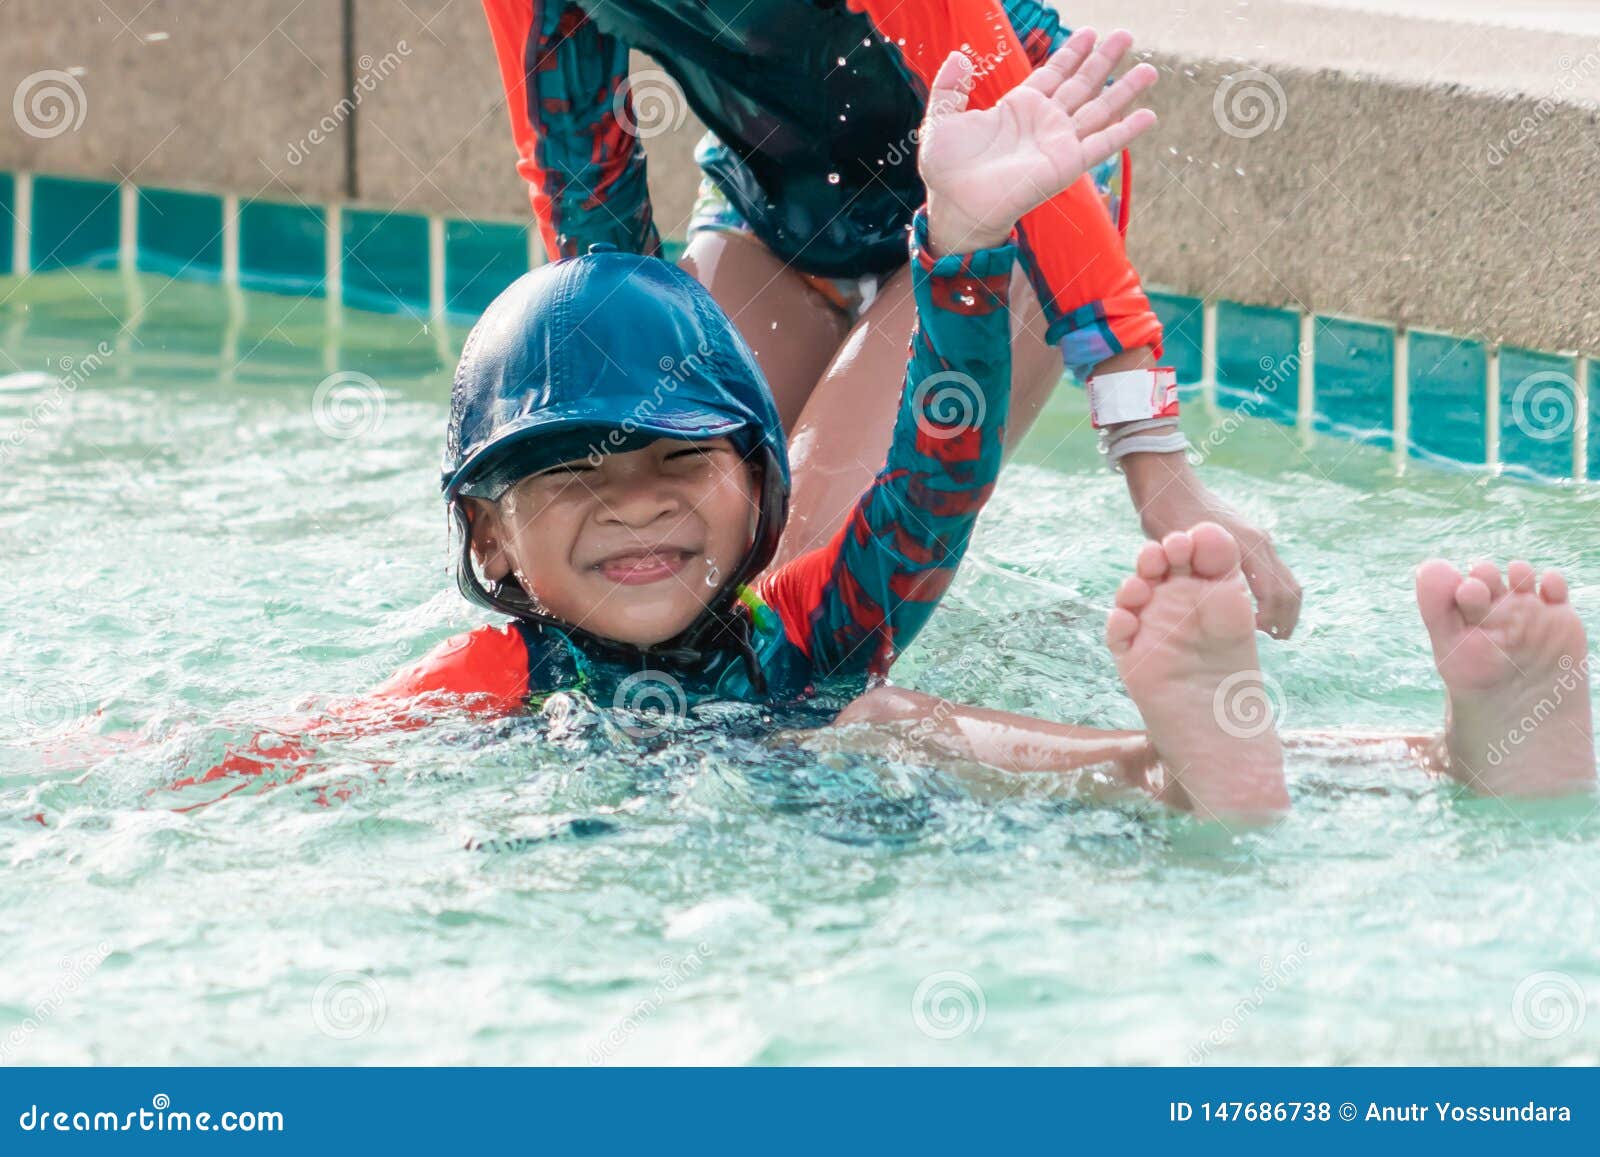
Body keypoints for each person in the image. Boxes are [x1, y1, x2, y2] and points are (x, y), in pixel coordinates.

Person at [159, 40, 1592, 824]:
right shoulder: (499, 663)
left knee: (1040, 750)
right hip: (779, 225)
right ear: (485, 533)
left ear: (758, 488)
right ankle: (1253, 766)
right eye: (576, 477)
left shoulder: (809, 633)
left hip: (999, 180)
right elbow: (283, 747)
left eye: (682, 468)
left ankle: (1340, 751)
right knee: (1010, 755)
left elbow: (934, 465)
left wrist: (970, 252)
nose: (641, 504)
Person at [481, 2, 1305, 638]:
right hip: (776, 208)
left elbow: (1006, 119)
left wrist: (1156, 463)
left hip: (1017, 178)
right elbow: (581, 180)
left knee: (799, 604)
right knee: (678, 583)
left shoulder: (1017, 168)